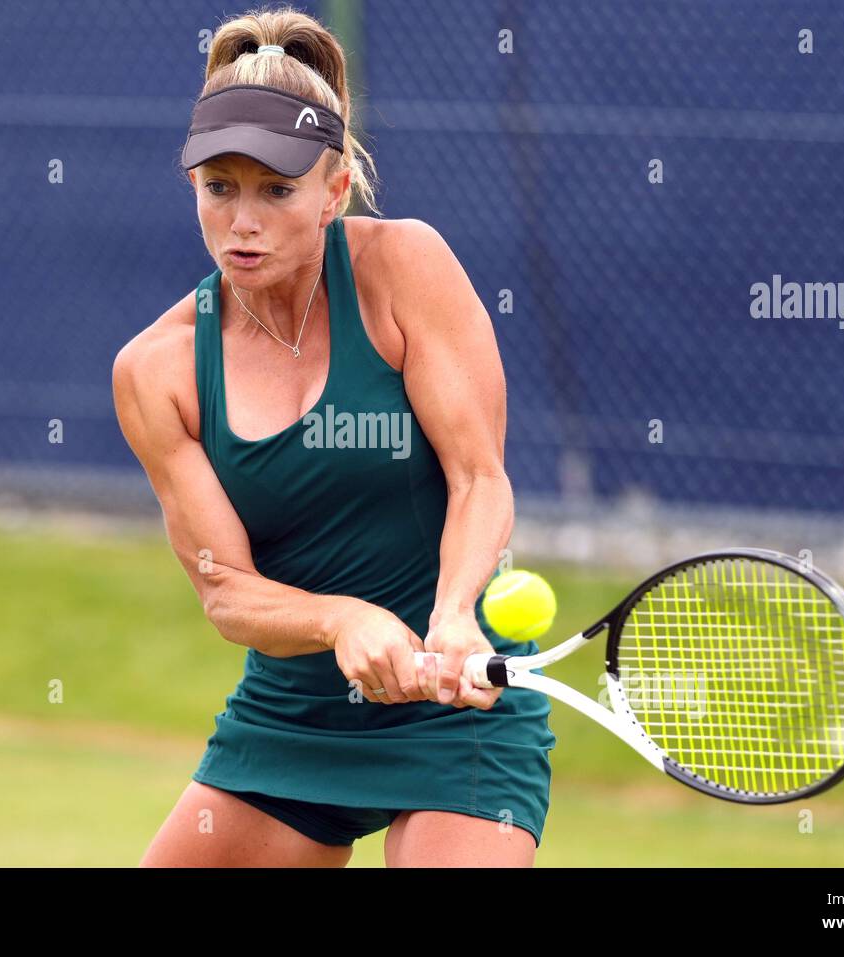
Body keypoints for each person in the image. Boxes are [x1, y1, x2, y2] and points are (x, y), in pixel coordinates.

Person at [112, 5, 555, 867]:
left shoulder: (405, 269)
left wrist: (455, 613)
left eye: (277, 190)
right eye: (219, 187)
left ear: (333, 190)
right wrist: (342, 621)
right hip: (291, 716)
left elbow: (479, 479)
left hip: (458, 707)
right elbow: (227, 591)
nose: (244, 221)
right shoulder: (155, 370)